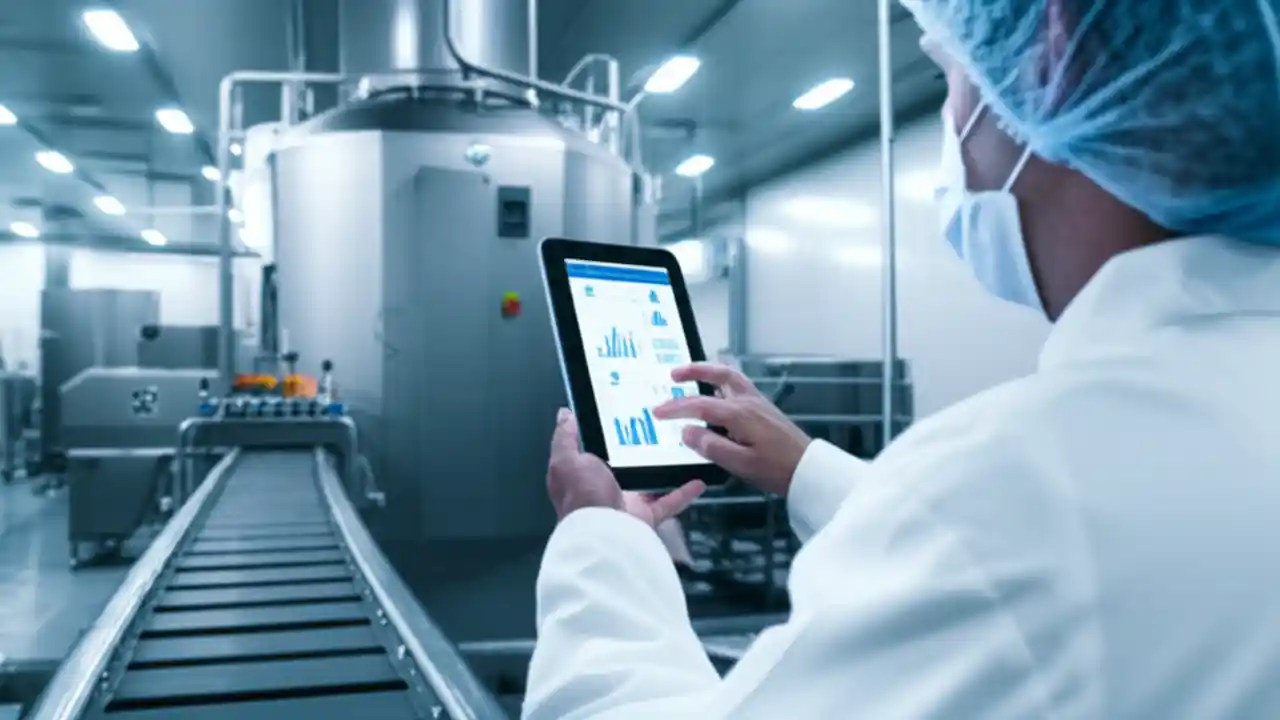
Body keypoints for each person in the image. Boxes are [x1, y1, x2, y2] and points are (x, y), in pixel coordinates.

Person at [524, 0, 1280, 716]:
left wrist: (601, 537)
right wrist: (807, 469)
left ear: (1058, 55)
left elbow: (988, 556)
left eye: (947, 79)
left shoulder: (1017, 491)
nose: (954, 125)